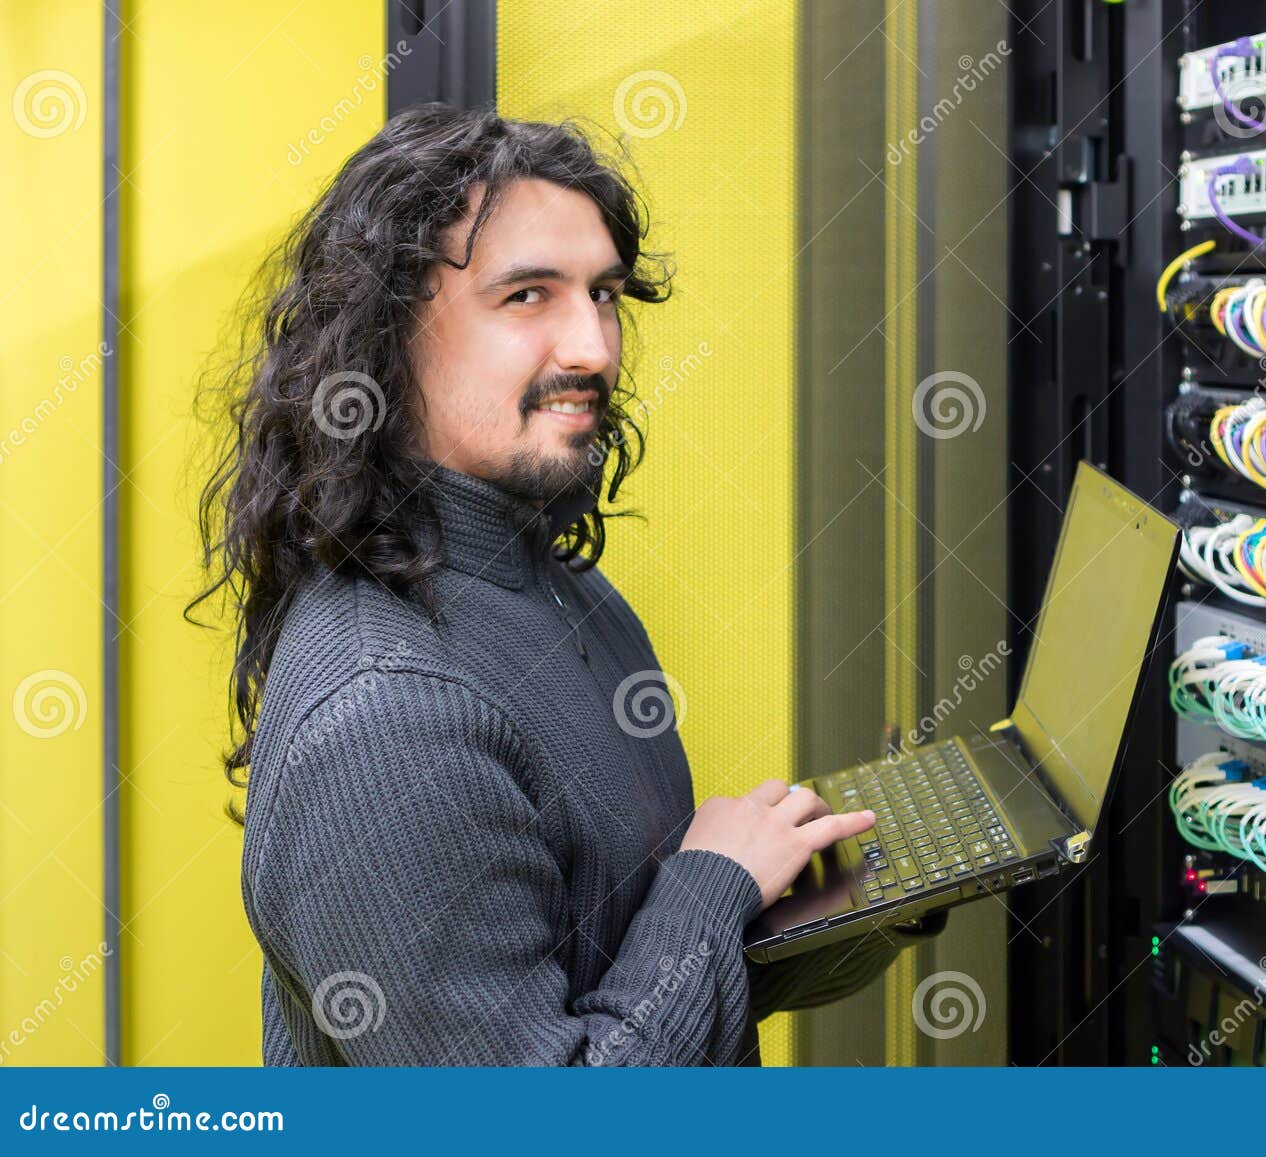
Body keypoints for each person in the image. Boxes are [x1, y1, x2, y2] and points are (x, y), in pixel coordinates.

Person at [190, 103, 935, 1066]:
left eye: (604, 294)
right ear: (385, 338)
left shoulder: (553, 587)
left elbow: (634, 987)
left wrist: (878, 895)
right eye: (528, 296)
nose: (593, 348)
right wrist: (712, 880)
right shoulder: (389, 718)